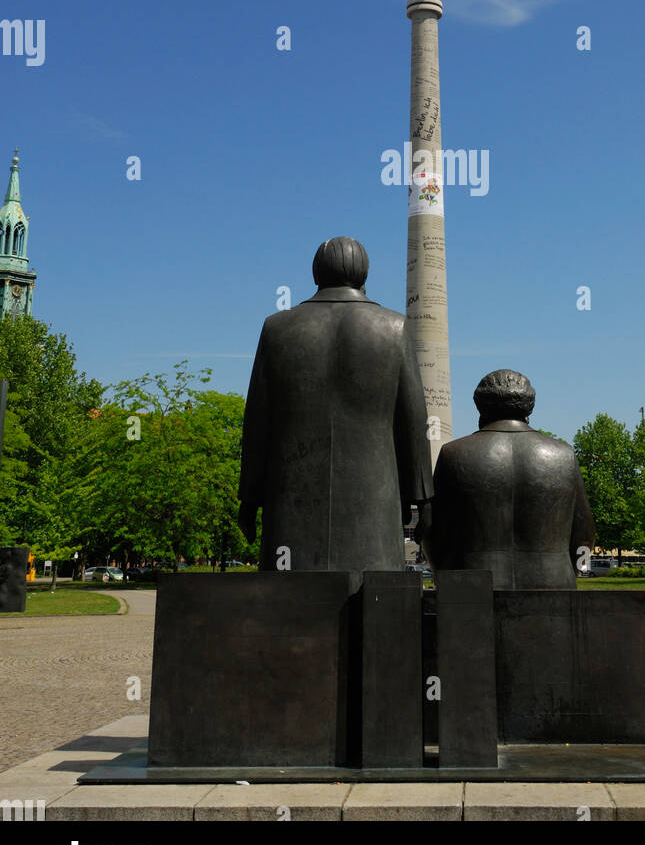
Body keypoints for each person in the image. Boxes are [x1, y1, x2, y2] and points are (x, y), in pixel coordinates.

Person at [238, 236, 433, 573]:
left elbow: (257, 420)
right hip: (374, 500)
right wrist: (421, 499)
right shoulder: (395, 327)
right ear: (364, 274)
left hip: (291, 500)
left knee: (287, 601)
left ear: (316, 273)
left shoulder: (276, 327)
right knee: (373, 600)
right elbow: (413, 421)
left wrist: (249, 496)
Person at [421, 369, 595, 589]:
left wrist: (443, 578)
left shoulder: (452, 454)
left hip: (470, 594)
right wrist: (570, 572)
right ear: (528, 409)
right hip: (553, 588)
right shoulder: (563, 455)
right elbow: (585, 535)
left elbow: (431, 530)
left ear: (480, 407)